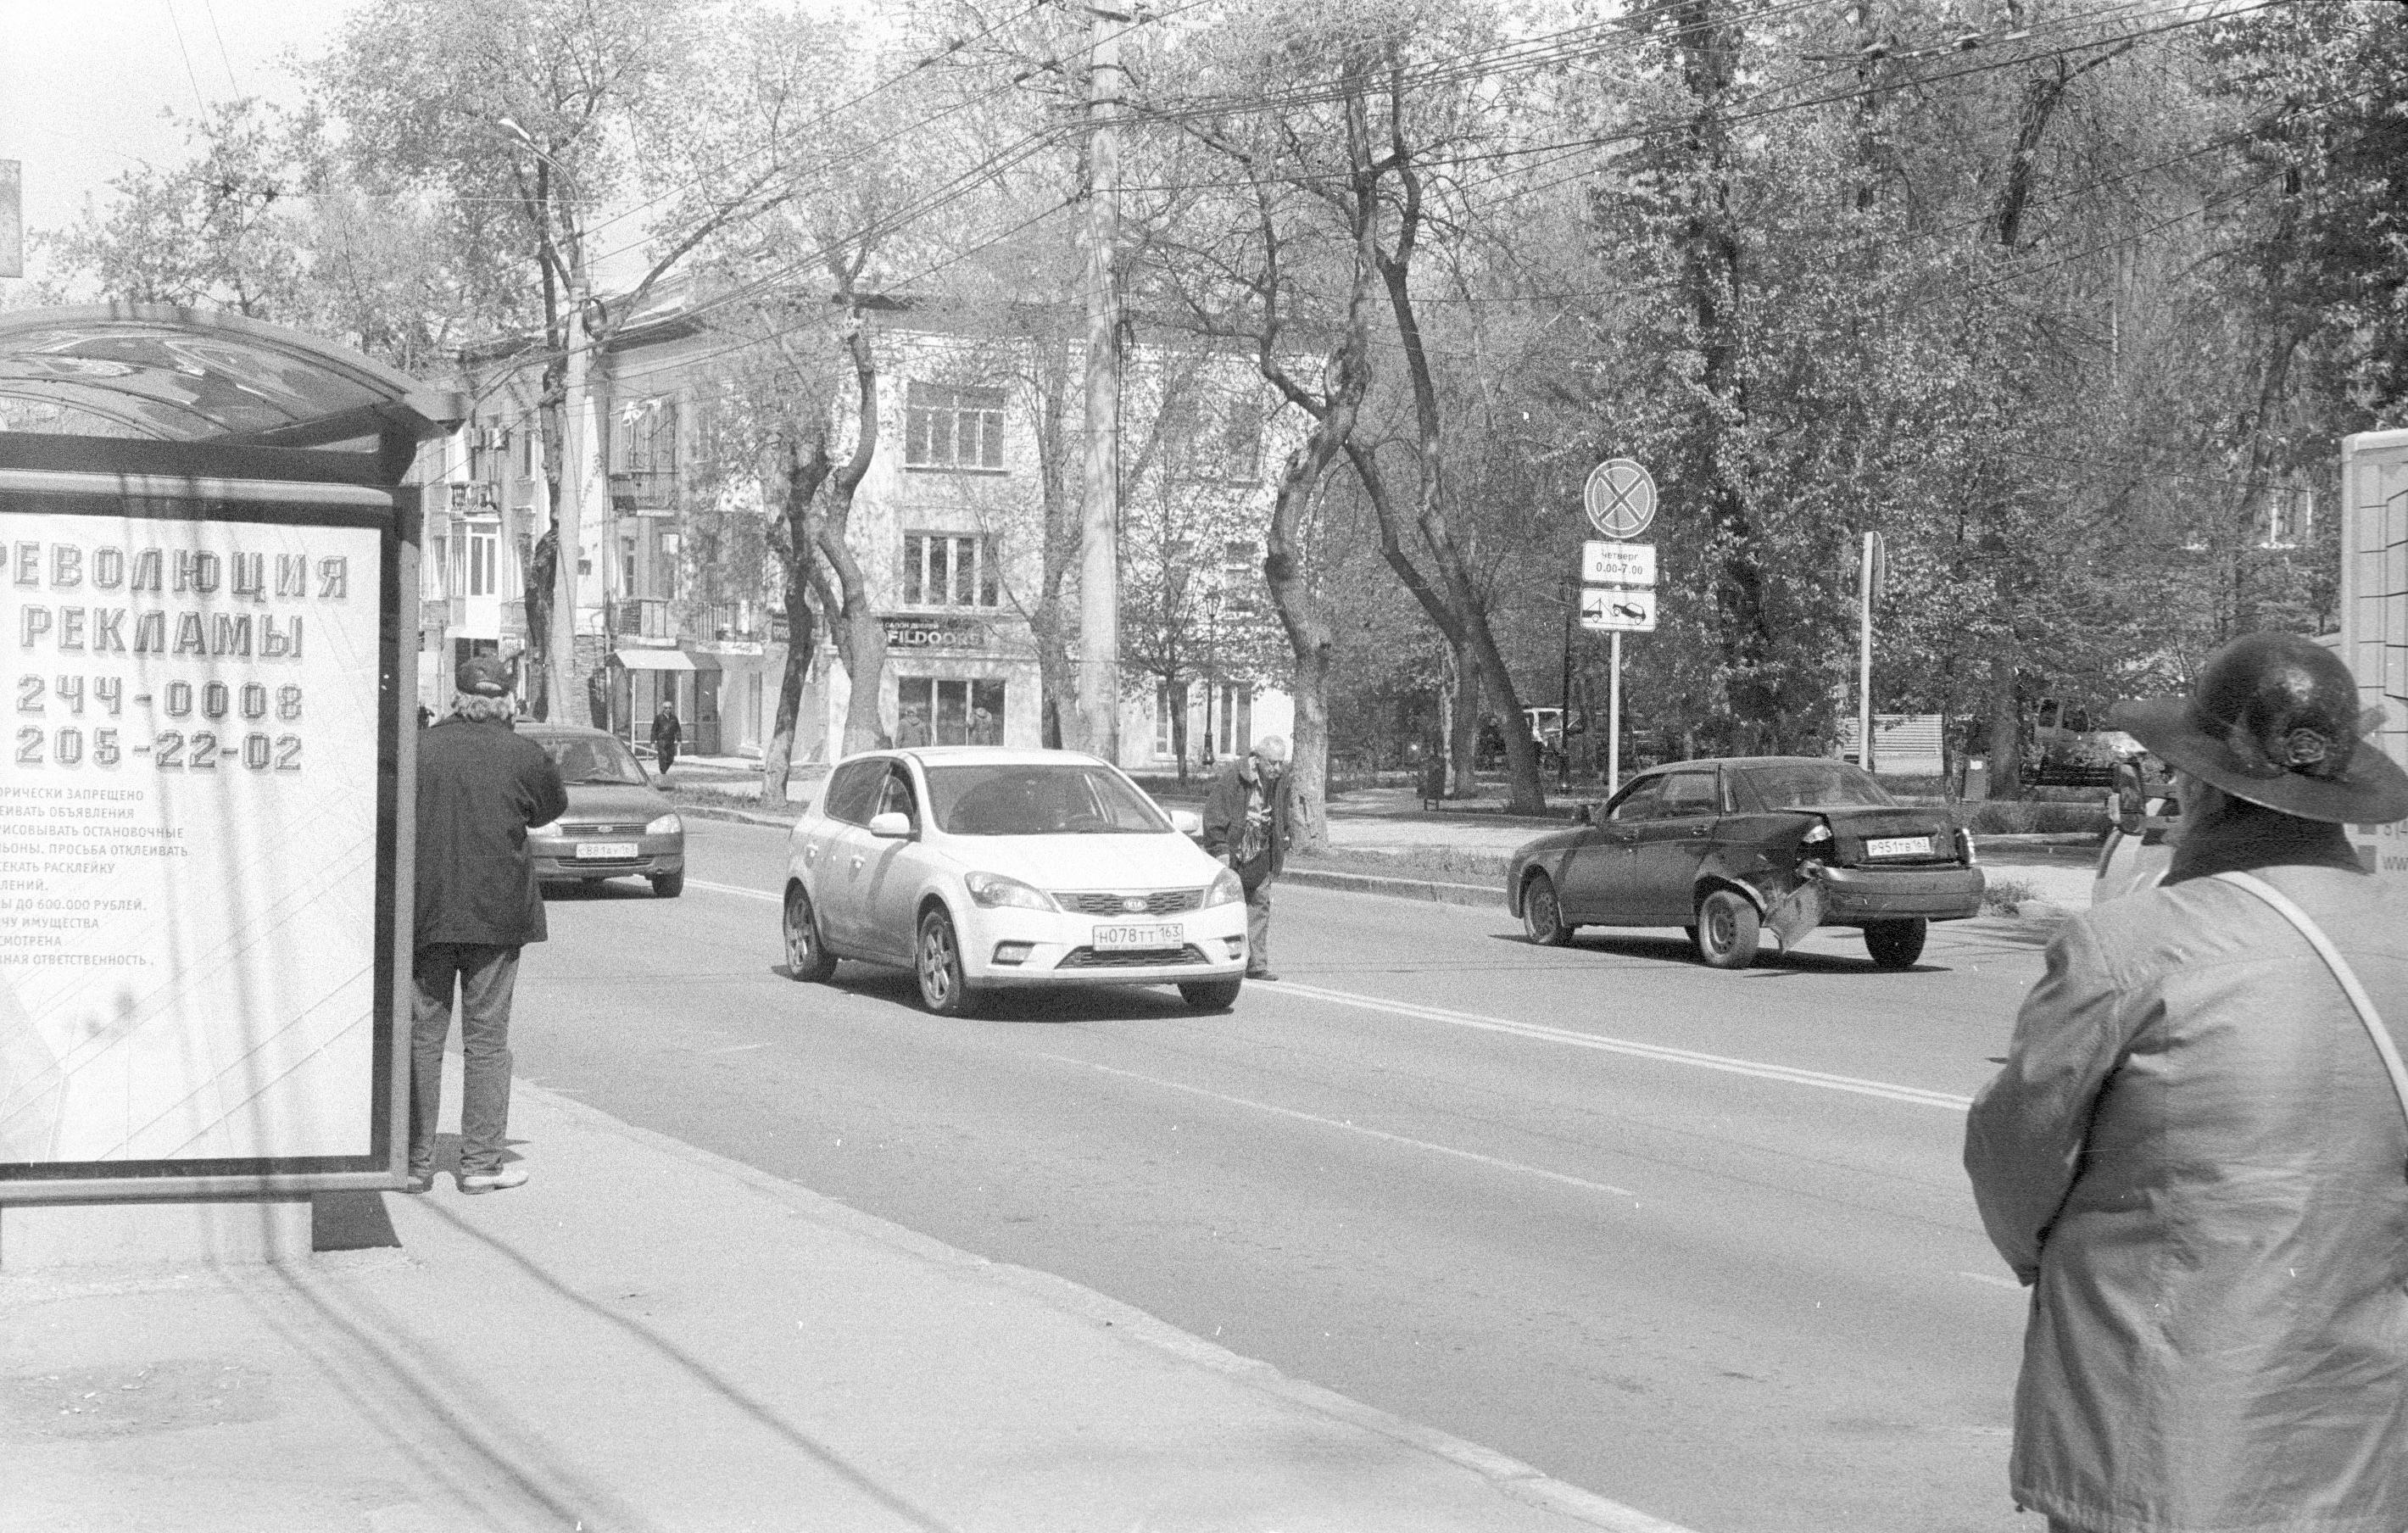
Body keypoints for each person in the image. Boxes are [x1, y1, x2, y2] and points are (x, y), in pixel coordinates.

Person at [1964, 631, 2408, 1533]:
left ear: (2203, 789)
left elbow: (2012, 1166)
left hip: (2158, 1452)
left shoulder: (2126, 948)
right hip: (2361, 1454)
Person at [410, 653, 568, 1195]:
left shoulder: (421, 748)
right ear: (506, 700)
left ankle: (414, 1164)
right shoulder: (523, 755)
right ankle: (480, 1165)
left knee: (422, 1038)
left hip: (427, 914)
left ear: (457, 697)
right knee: (486, 1041)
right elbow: (548, 809)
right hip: (496, 919)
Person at [1202, 733, 1302, 983]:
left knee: (1260, 904)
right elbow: (1214, 815)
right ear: (1257, 759)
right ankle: (1222, 961)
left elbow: (1283, 812)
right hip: (1234, 853)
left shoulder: (1280, 780)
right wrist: (1221, 850)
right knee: (1228, 909)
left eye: (1280, 763)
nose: (1277, 768)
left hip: (1262, 850)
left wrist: (1284, 835)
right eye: (1272, 763)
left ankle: (1256, 965)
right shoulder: (1235, 777)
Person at [650, 699, 682, 776]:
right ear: (663, 709)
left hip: (671, 740)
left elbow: (678, 730)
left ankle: (663, 770)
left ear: (671, 709)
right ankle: (663, 772)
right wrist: (652, 742)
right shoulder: (659, 718)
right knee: (663, 756)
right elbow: (654, 730)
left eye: (669, 708)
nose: (668, 709)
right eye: (666, 708)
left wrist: (679, 740)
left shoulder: (674, 718)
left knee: (671, 759)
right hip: (661, 740)